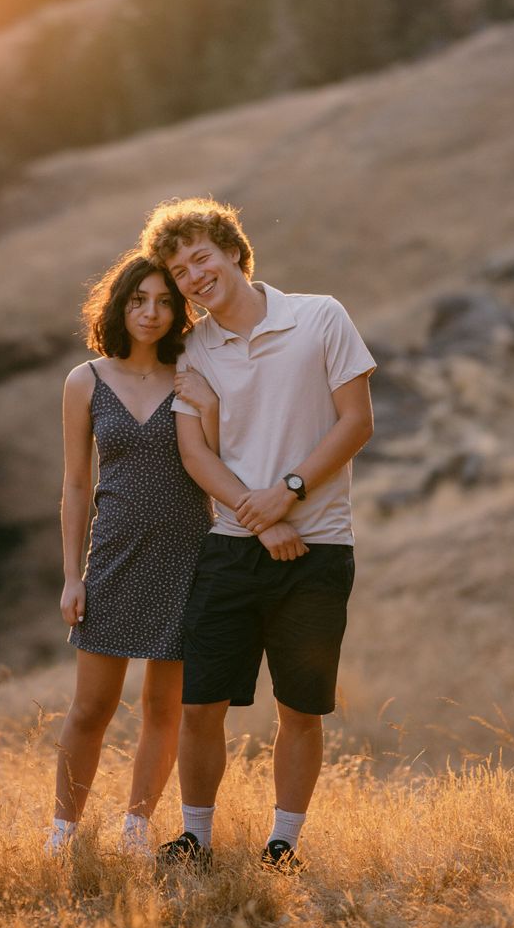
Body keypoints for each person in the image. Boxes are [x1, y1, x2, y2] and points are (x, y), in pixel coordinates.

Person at [139, 197, 375, 872]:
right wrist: (260, 517)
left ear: (235, 253)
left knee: (299, 709)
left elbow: (356, 421)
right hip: (231, 548)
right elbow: (196, 454)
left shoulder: (320, 317)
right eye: (180, 271)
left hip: (320, 548)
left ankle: (283, 844)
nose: (194, 276)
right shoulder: (193, 350)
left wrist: (287, 492)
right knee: (200, 703)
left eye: (201, 258)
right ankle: (196, 838)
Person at [47, 250, 216, 857]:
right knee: (90, 708)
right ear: (119, 305)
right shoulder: (85, 381)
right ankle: (62, 835)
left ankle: (135, 832)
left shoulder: (192, 374)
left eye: (166, 301)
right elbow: (75, 484)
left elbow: (218, 459)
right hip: (113, 558)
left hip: (187, 557)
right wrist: (72, 576)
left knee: (163, 709)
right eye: (139, 300)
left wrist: (209, 403)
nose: (151, 312)